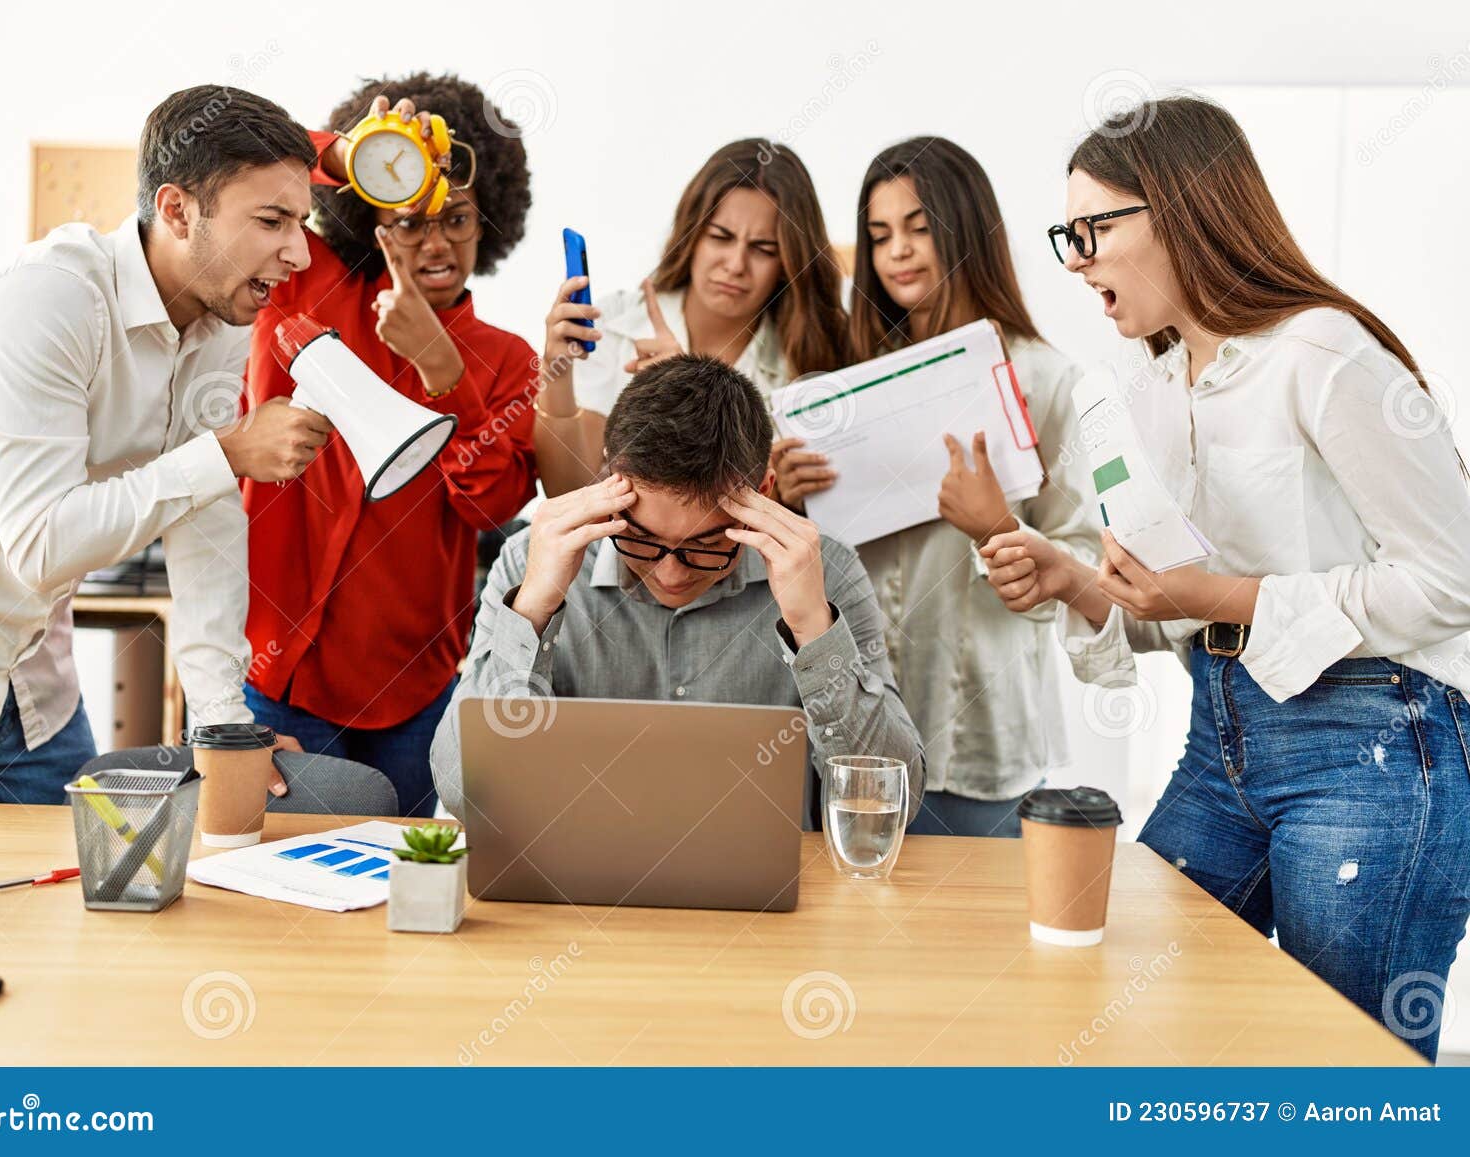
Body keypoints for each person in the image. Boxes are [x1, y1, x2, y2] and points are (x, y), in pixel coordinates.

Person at [981, 95, 1470, 1060]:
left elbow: (1451, 580)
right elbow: (1177, 610)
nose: (1074, 259)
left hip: (1374, 742)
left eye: (1093, 228)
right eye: (1065, 234)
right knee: (1149, 1015)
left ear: (1182, 209)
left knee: (1340, 1072)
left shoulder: (1321, 355)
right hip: (1225, 736)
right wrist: (1078, 580)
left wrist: (1219, 598)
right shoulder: (1153, 390)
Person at [0, 85, 330, 803]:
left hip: (31, 679)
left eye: (300, 221)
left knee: (70, 901)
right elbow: (43, 541)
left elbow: (202, 514)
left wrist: (223, 724)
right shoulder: (46, 299)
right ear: (177, 210)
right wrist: (229, 453)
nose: (298, 251)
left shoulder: (221, 321)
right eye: (272, 220)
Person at [431, 354, 923, 824]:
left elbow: (891, 803)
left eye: (705, 546)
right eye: (642, 540)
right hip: (575, 895)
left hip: (770, 902)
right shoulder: (529, 562)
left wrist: (814, 630)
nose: (669, 574)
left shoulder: (826, 571)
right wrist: (533, 612)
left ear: (764, 491)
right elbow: (463, 793)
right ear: (608, 480)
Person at [775, 138, 1100, 838]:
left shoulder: (1044, 379)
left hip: (979, 740)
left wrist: (997, 530)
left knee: (974, 943)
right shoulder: (843, 389)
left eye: (919, 227)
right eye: (880, 234)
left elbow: (1085, 562)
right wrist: (789, 502)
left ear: (965, 229)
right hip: (852, 736)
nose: (897, 251)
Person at [239, 74, 538, 816]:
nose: (435, 242)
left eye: (458, 220)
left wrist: (443, 367)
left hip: (417, 690)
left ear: (488, 225)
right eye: (408, 220)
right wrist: (351, 154)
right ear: (373, 219)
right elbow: (244, 170)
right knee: (274, 898)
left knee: (398, 895)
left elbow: (490, 503)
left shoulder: (507, 359)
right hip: (278, 675)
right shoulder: (304, 281)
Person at [532, 139, 850, 497]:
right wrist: (555, 372)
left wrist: (781, 496)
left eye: (762, 249)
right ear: (692, 234)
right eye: (720, 237)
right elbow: (569, 491)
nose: (735, 265)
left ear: (787, 262)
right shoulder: (618, 323)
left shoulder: (807, 358)